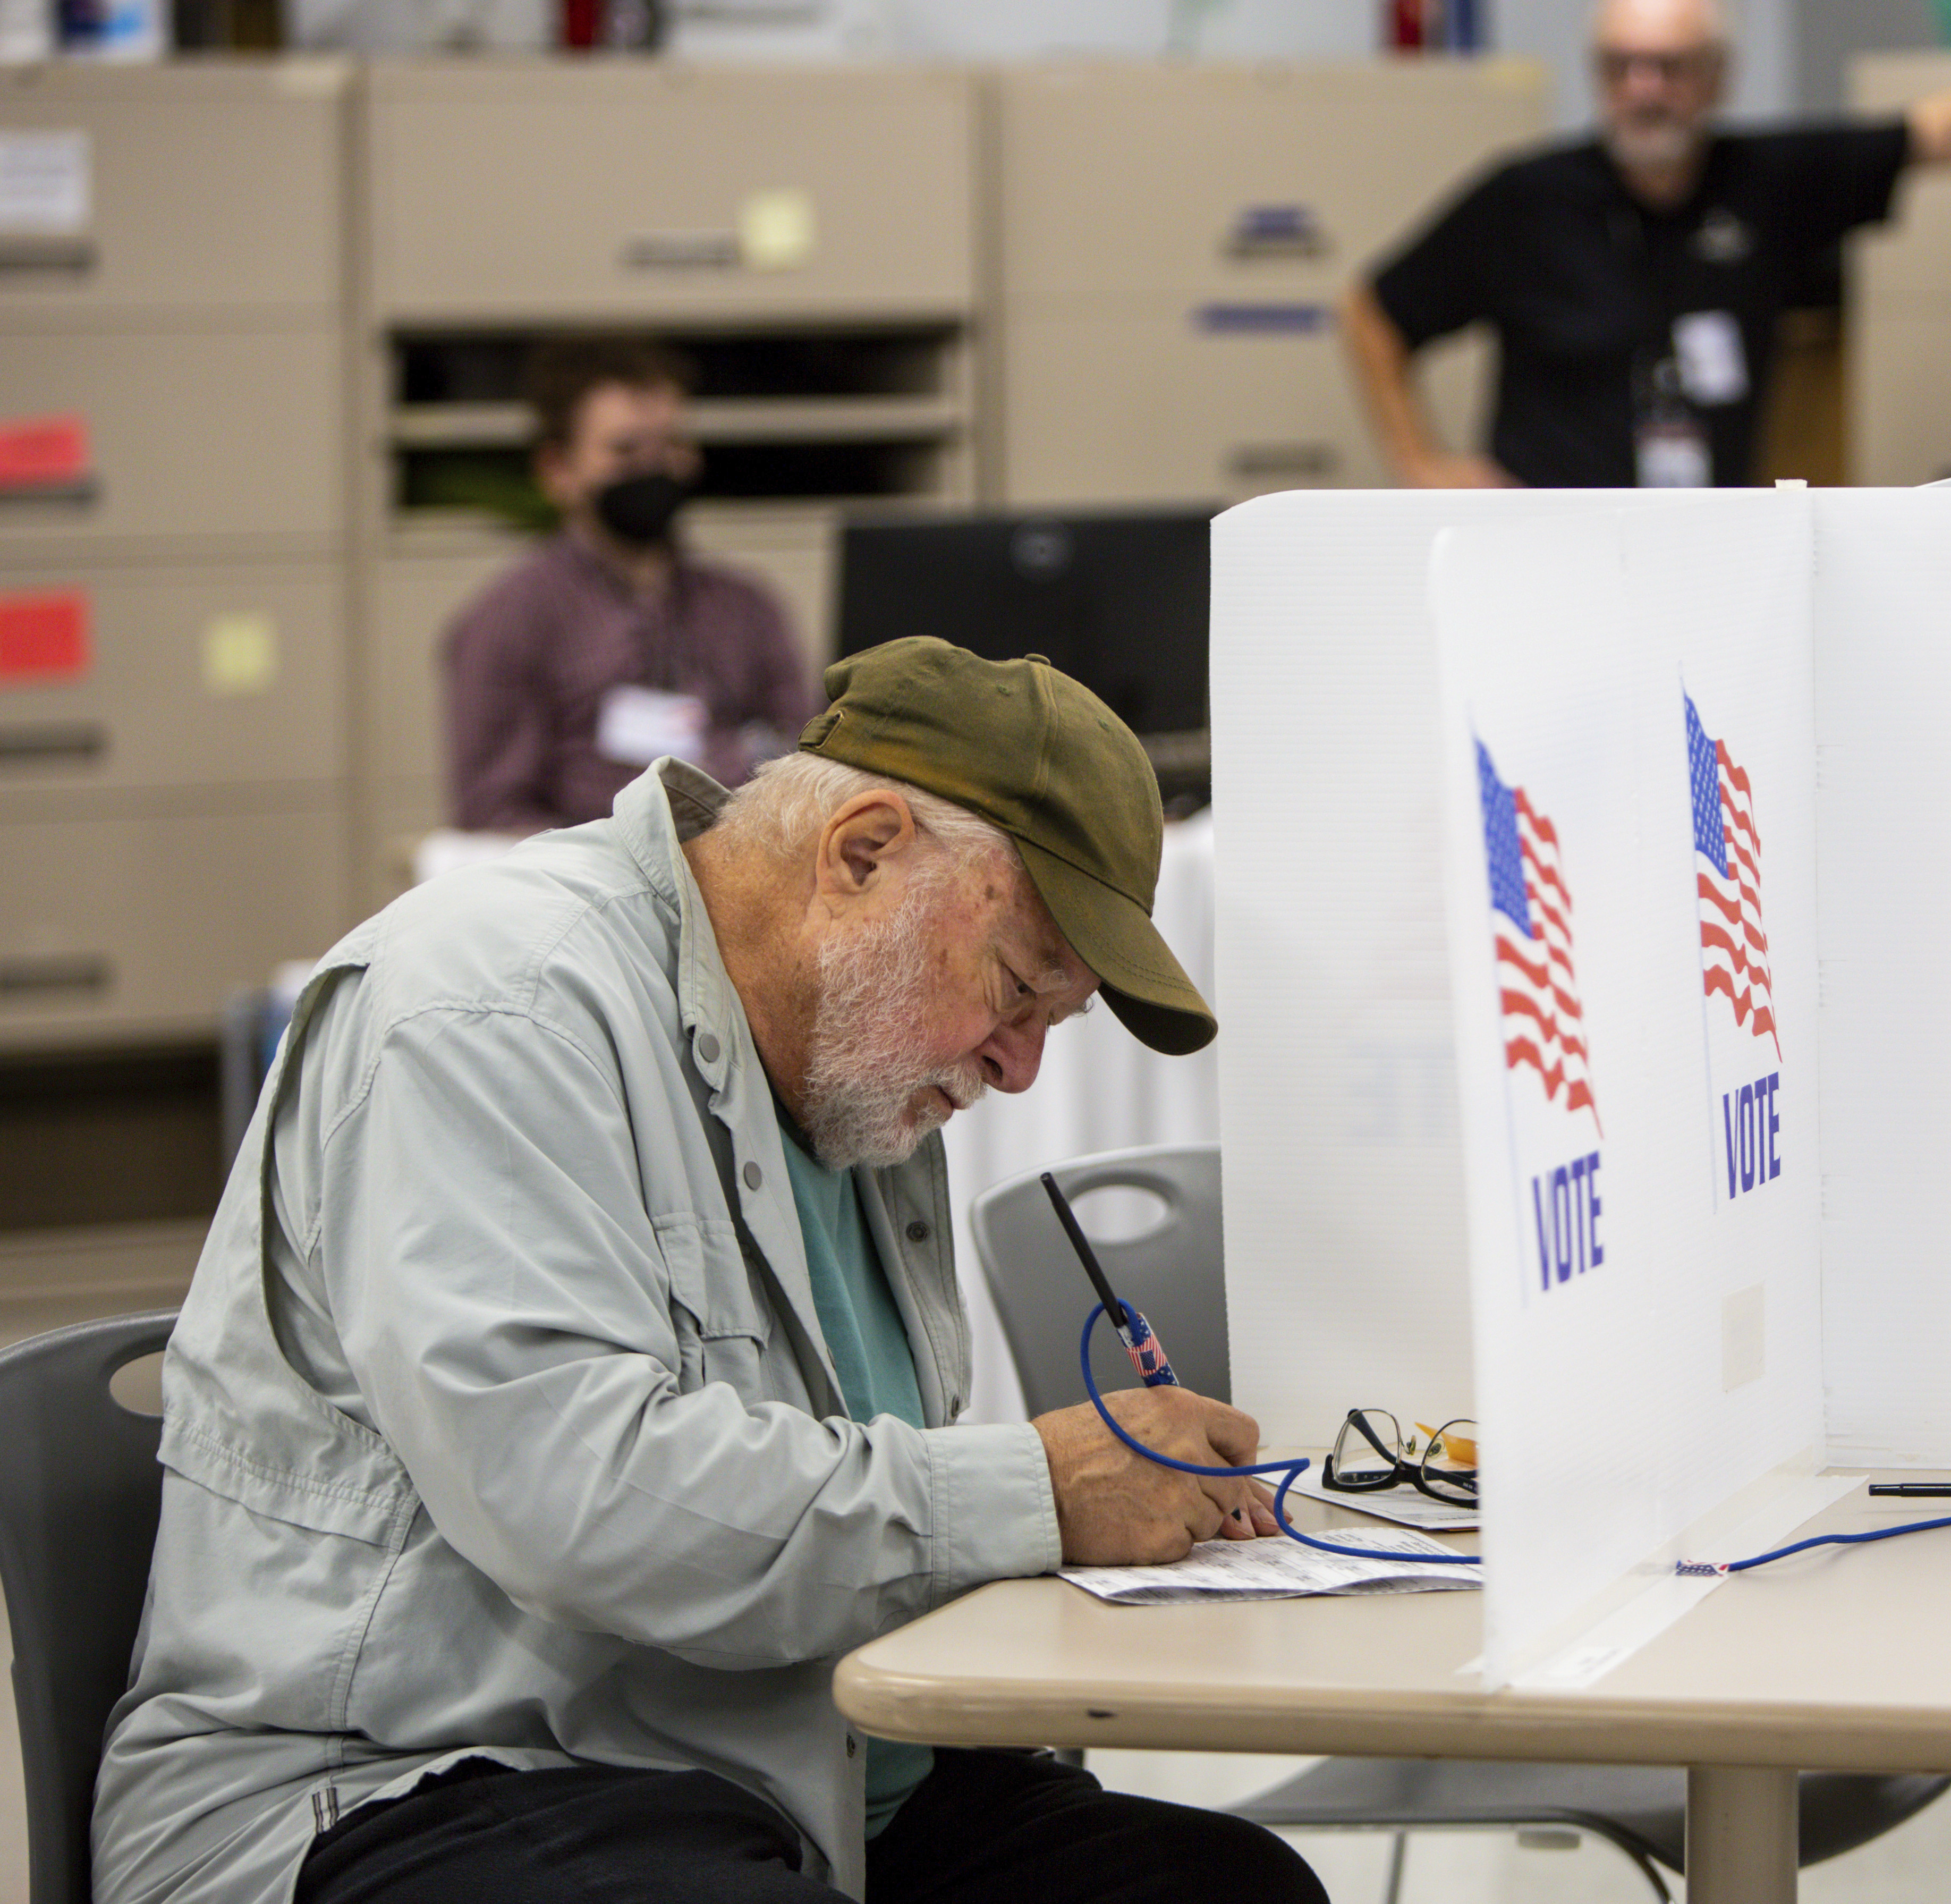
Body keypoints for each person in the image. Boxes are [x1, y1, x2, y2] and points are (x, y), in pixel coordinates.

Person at [94, 640, 1318, 1904]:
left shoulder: (855, 1067)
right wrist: (1034, 1489)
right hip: (423, 1770)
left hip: (778, 1756)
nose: (1018, 1069)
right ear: (862, 850)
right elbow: (573, 1494)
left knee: (1228, 1888)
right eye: (1016, 990)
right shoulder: (491, 1002)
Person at [1341, 0, 1951, 491]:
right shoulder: (1525, 199)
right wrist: (1422, 466)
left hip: (1711, 544)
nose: (1643, 90)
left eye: (1669, 67)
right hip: (1544, 548)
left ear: (1717, 78)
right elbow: (1371, 310)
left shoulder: (1768, 182)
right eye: (1620, 67)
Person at [445, 334, 818, 835]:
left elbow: (808, 770)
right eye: (625, 450)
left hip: (743, 872)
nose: (655, 468)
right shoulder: (510, 618)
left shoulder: (748, 608)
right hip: (593, 889)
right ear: (558, 469)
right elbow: (494, 813)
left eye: (672, 445)